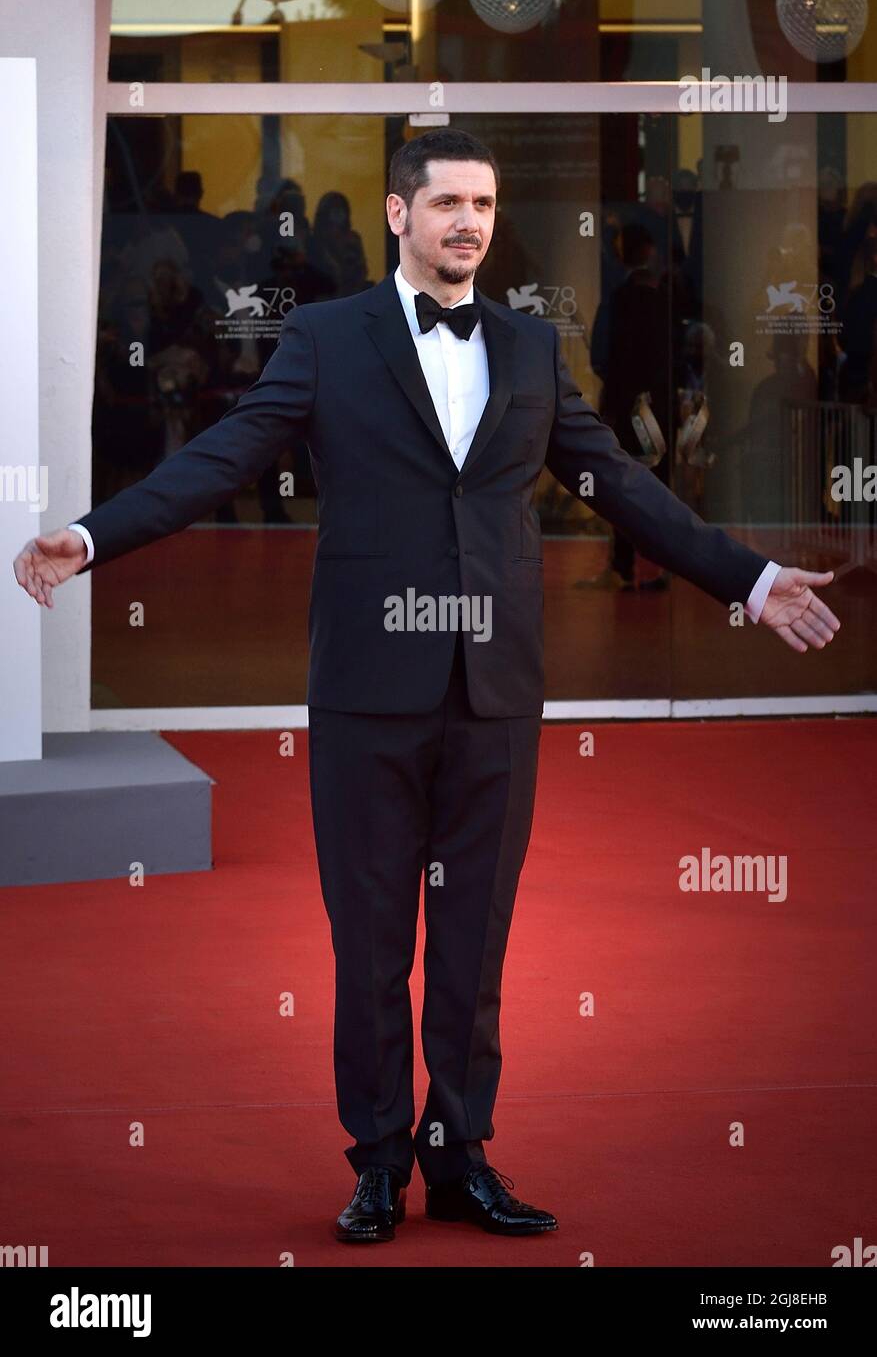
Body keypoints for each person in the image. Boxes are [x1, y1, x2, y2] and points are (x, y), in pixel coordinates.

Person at [14, 129, 841, 1245]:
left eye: (484, 204)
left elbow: (621, 487)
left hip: (494, 692)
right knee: (368, 946)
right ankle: (373, 1162)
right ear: (398, 215)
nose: (468, 222)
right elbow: (223, 458)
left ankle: (460, 1158)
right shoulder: (323, 338)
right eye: (447, 201)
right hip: (366, 690)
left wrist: (747, 577)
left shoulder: (534, 348)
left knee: (471, 943)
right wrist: (88, 535)